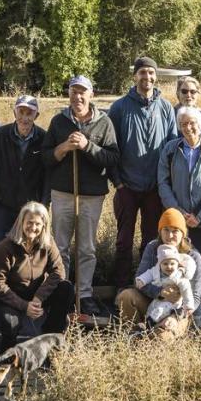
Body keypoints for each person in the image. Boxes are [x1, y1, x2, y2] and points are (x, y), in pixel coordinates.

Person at [43, 75, 120, 318]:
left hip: (91, 194)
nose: (78, 96)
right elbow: (45, 158)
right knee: (60, 246)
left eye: (82, 92)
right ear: (69, 94)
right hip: (63, 193)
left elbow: (112, 158)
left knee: (86, 248)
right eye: (74, 91)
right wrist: (63, 148)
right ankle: (63, 291)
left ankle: (84, 294)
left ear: (91, 95)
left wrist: (88, 146)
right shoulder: (58, 122)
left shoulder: (104, 122)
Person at [108, 56, 177, 290]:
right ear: (134, 76)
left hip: (154, 187)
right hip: (126, 185)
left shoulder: (166, 107)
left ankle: (147, 286)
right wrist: (117, 182)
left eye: (150, 72)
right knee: (124, 240)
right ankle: (121, 287)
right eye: (142, 73)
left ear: (156, 76)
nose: (146, 77)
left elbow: (171, 148)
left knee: (150, 240)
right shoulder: (119, 108)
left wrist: (164, 182)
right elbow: (110, 148)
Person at [157, 105, 201, 328]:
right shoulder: (170, 149)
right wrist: (177, 214)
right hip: (177, 222)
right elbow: (163, 182)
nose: (188, 127)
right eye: (183, 124)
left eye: (192, 123)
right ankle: (177, 311)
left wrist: (199, 213)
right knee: (175, 264)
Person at [0, 201, 72, 349]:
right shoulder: (5, 247)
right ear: (21, 222)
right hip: (11, 297)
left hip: (36, 294)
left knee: (66, 288)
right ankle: (9, 345)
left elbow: (59, 271)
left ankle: (51, 334)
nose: (33, 228)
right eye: (29, 222)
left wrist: (39, 297)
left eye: (37, 224)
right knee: (10, 323)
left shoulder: (48, 243)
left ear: (43, 226)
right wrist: (24, 306)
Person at [115, 208, 201, 340]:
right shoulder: (152, 247)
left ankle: (158, 334)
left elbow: (195, 298)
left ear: (183, 233)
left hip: (178, 310)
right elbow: (138, 280)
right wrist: (160, 293)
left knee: (161, 337)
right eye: (166, 230)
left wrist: (175, 316)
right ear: (160, 231)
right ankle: (134, 334)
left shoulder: (193, 257)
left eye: (175, 231)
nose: (170, 235)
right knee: (125, 296)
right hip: (152, 305)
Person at [0, 95, 47, 251]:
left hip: (31, 207)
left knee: (27, 249)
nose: (24, 117)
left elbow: (47, 177)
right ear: (14, 113)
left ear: (36, 116)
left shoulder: (44, 138)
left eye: (29, 113)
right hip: (3, 204)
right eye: (21, 112)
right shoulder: (0, 135)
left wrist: (44, 205)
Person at [135, 244, 195, 327]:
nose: (169, 267)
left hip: (172, 304)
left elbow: (186, 290)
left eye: (172, 264)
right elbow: (148, 274)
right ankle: (147, 325)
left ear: (177, 264)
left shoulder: (179, 277)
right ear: (160, 264)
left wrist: (189, 305)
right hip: (158, 300)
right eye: (165, 264)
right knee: (152, 310)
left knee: (159, 312)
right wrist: (141, 280)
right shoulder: (156, 271)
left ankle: (147, 326)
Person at [175, 76, 201, 140]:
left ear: (197, 94)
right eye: (184, 91)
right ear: (178, 93)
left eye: (193, 92)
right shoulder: (170, 114)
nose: (188, 95)